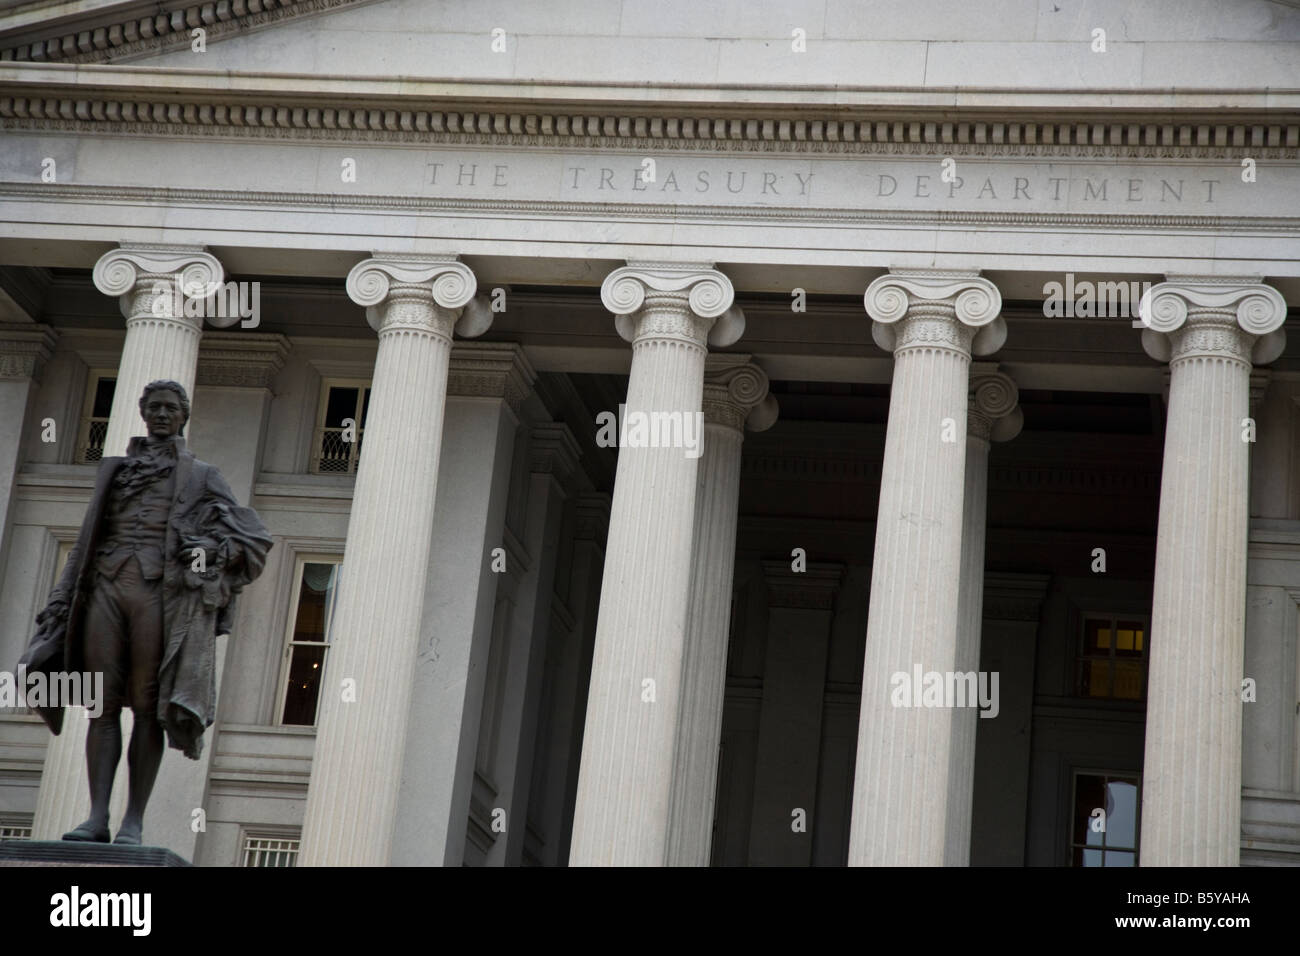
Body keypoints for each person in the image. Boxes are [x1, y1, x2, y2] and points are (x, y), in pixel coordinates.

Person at [19, 380, 272, 845]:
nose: (160, 415)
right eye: (153, 407)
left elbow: (250, 538)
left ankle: (133, 821)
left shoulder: (201, 475)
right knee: (100, 704)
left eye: (170, 409)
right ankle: (97, 817)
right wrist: (59, 599)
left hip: (159, 594)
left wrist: (207, 552)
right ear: (141, 412)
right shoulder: (114, 470)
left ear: (183, 416)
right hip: (104, 590)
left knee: (147, 707)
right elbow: (86, 541)